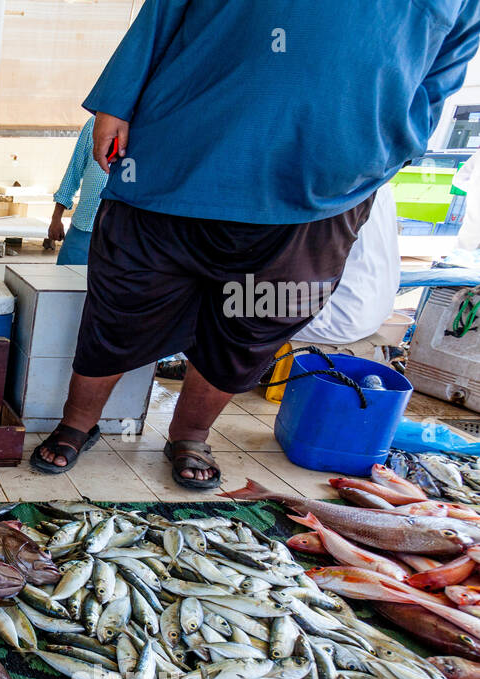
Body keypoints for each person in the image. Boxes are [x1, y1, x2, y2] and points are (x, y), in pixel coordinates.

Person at [31, 0, 480, 490]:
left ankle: (191, 434)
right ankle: (76, 422)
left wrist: (398, 140)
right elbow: (164, 8)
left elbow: (448, 59)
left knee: (254, 323)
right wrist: (116, 101)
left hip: (325, 182)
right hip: (180, 153)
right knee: (122, 307)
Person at [287, 183, 401, 356]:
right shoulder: (380, 177)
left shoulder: (327, 183)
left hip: (335, 316)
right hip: (374, 310)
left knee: (236, 310)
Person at [48, 115, 108, 265]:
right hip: (84, 225)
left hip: (121, 232)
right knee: (65, 279)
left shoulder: (146, 126)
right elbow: (74, 170)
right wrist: (56, 218)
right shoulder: (95, 122)